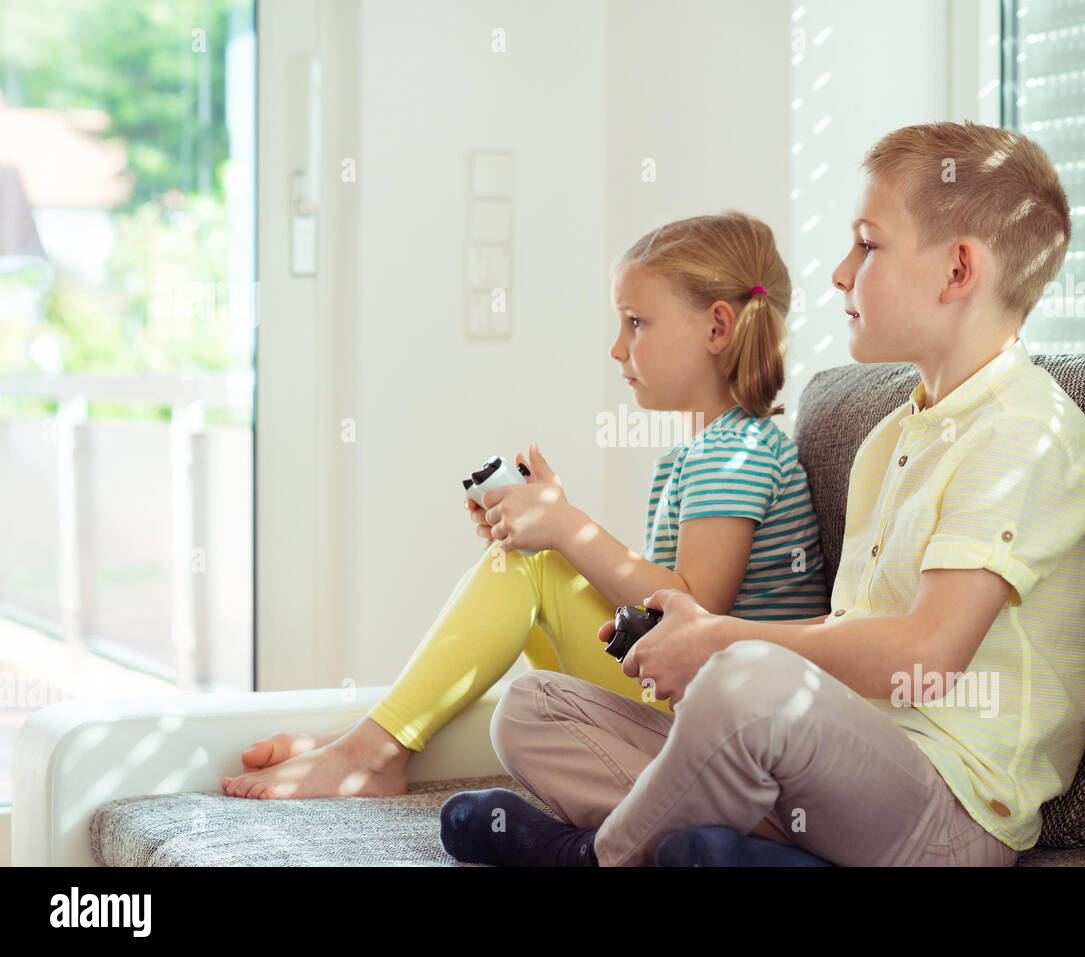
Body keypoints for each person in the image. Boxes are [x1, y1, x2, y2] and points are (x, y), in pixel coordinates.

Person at [439, 121, 1085, 867]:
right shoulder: (892, 436)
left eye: (867, 244)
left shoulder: (1026, 434)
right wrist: (698, 638)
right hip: (835, 772)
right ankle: (730, 850)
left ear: (958, 271)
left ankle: (595, 856)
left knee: (749, 676)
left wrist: (722, 640)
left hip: (946, 811)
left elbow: (927, 651)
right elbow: (851, 636)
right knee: (534, 711)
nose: (836, 272)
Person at [222, 210, 829, 804]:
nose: (617, 348)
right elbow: (659, 598)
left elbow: (693, 611)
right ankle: (368, 742)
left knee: (535, 567)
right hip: (698, 693)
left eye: (636, 322)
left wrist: (568, 531)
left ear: (717, 329)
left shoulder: (733, 456)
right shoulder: (714, 448)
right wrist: (553, 528)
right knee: (534, 562)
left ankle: (370, 753)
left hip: (715, 711)